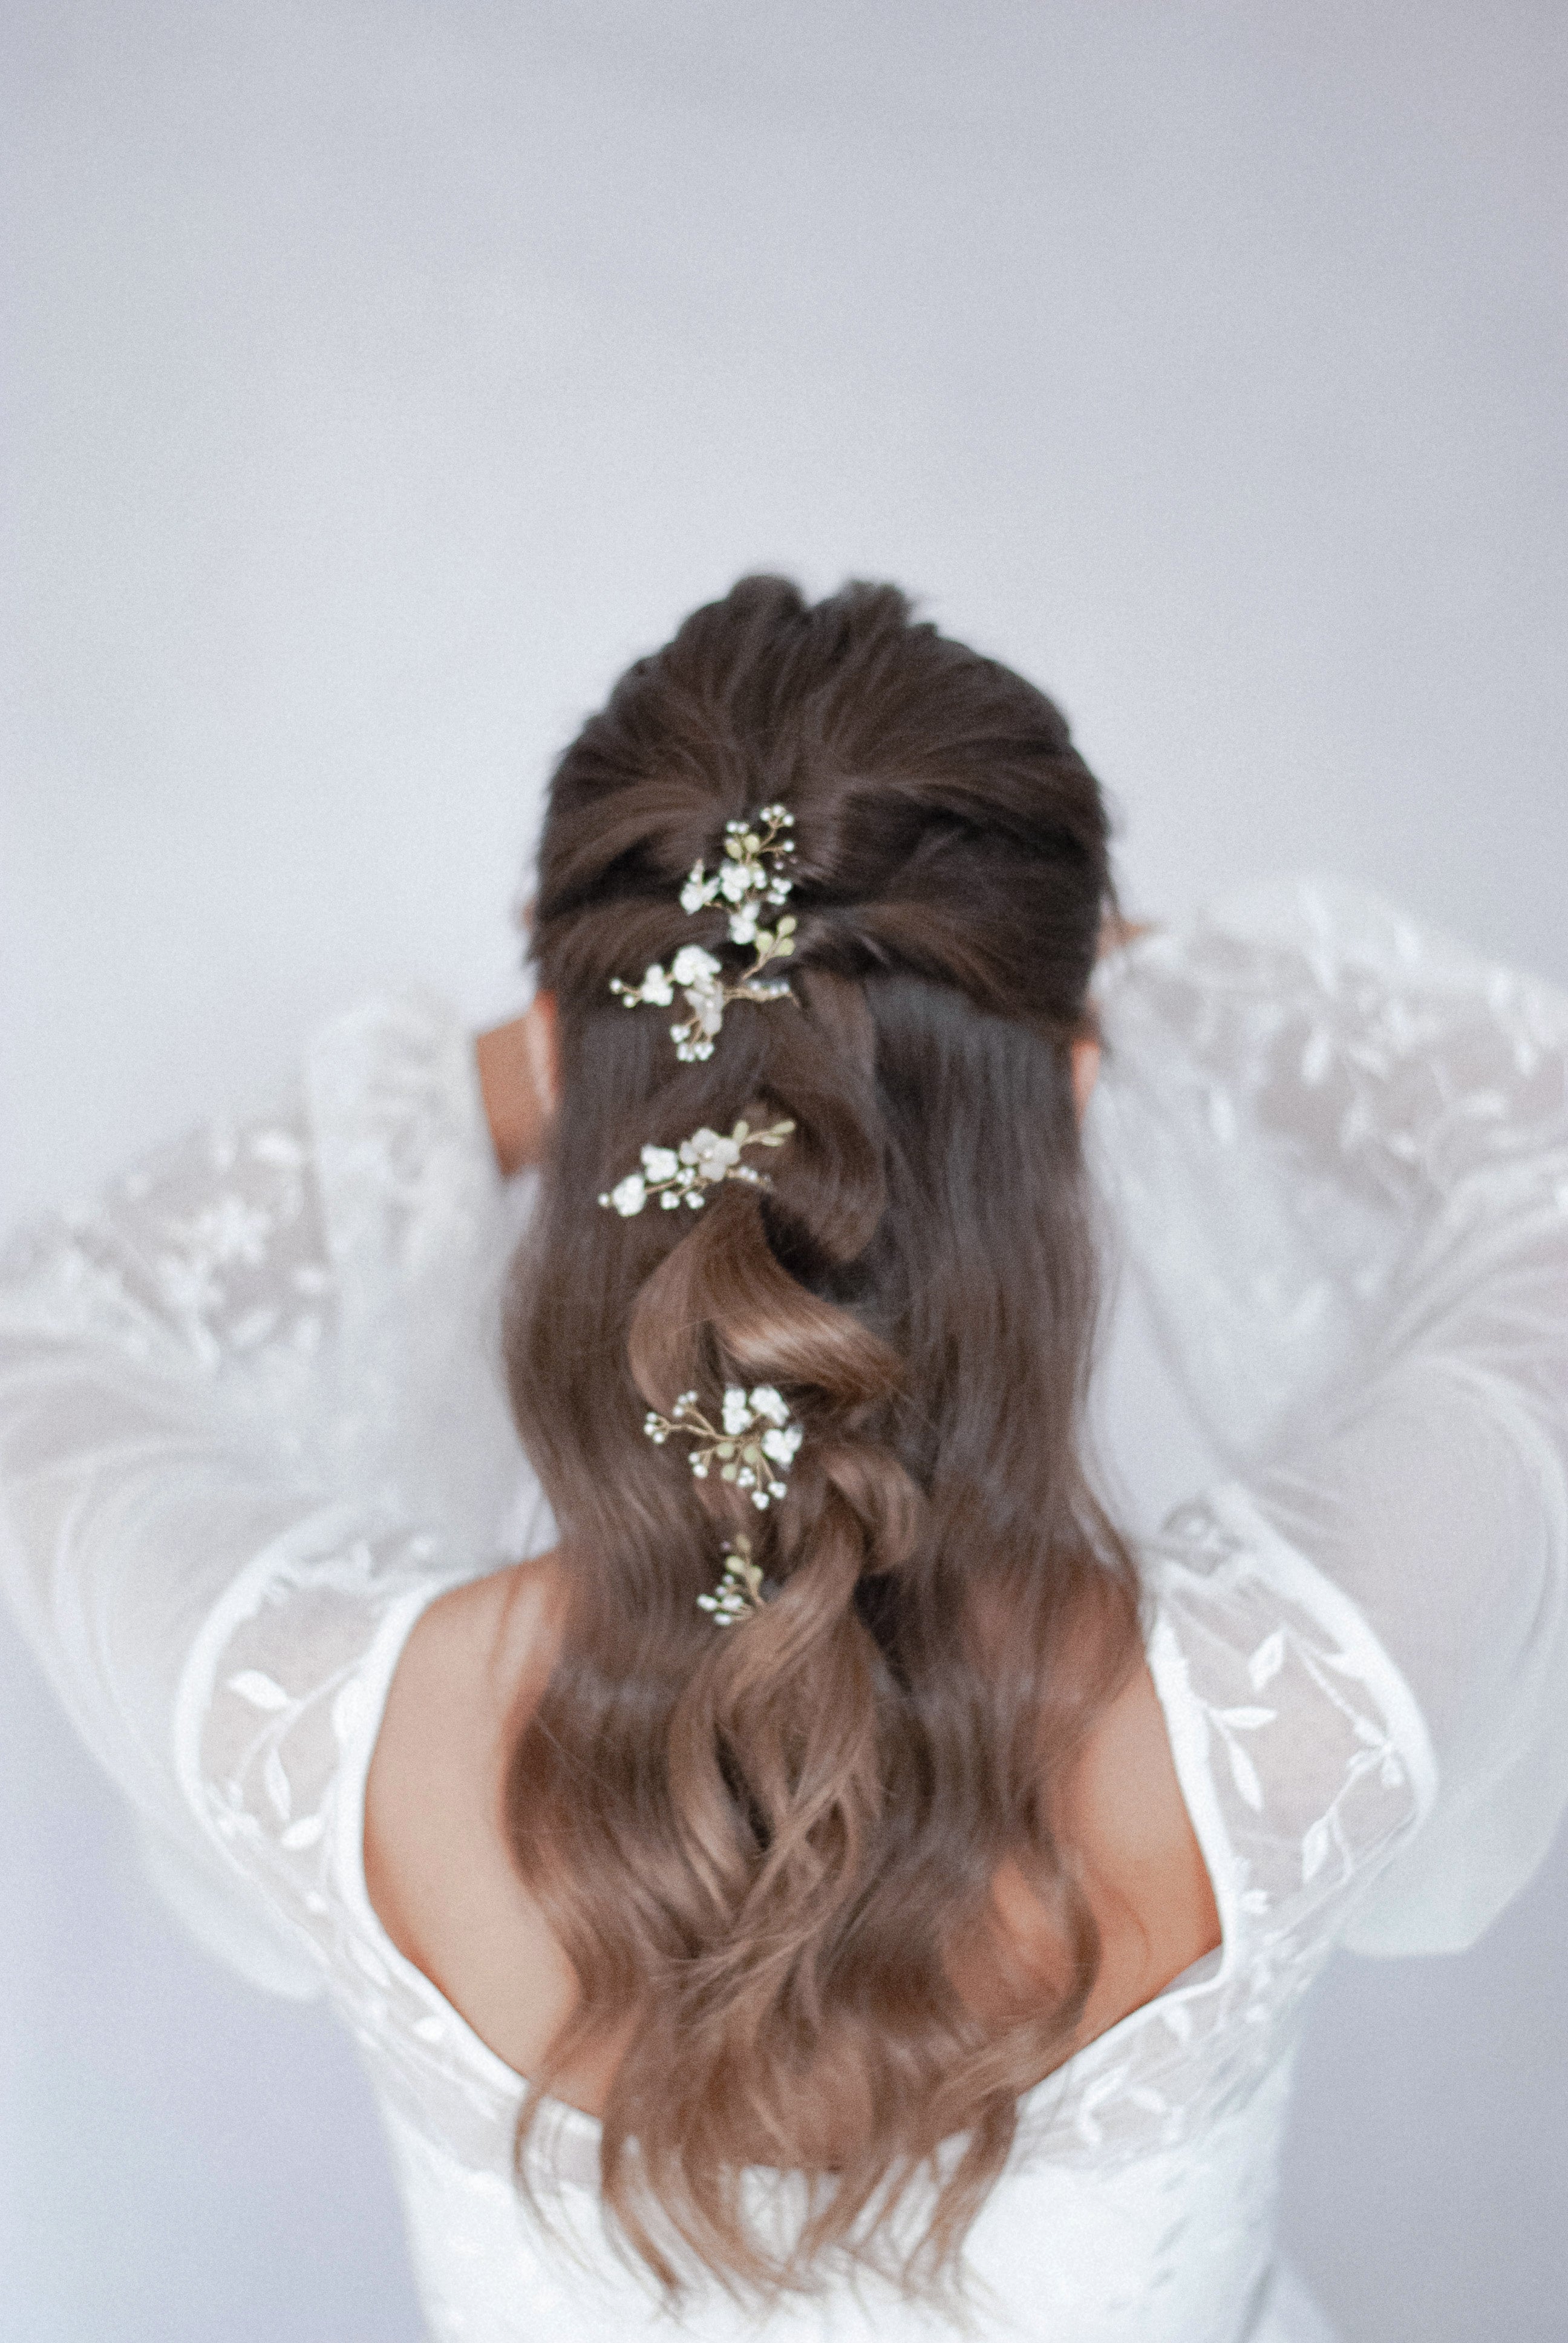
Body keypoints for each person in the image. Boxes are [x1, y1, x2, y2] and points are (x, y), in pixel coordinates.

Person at [2, 577, 1566, 2343]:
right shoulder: (1302, 1705)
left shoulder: (332, 1734)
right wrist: (1086, 973)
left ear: (578, 1064)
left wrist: (551, 1063)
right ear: (1066, 1087)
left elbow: (50, 1331)